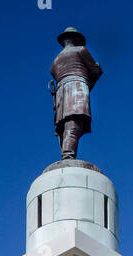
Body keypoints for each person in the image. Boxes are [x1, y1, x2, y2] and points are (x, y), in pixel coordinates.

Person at [50, 28, 103, 161]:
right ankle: (68, 155)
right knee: (74, 124)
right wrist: (97, 69)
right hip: (77, 88)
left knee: (65, 126)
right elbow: (95, 72)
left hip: (61, 93)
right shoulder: (81, 50)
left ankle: (66, 153)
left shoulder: (55, 61)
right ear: (75, 39)